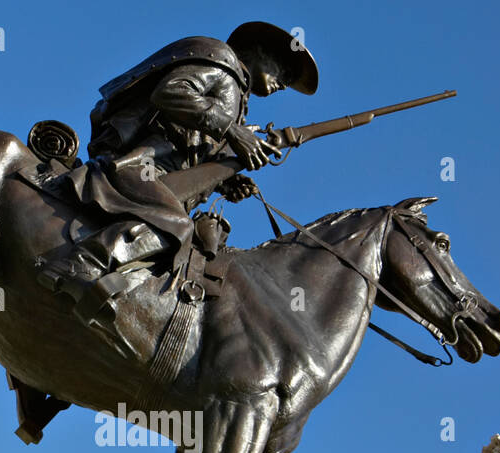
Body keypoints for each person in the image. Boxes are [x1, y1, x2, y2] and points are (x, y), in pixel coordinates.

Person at [38, 22, 318, 324]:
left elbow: (191, 149)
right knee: (177, 226)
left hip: (163, 179)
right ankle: (82, 264)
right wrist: (232, 130)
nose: (284, 83)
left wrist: (227, 182)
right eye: (284, 72)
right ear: (261, 51)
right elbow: (170, 92)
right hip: (140, 167)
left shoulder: (237, 94)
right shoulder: (222, 65)